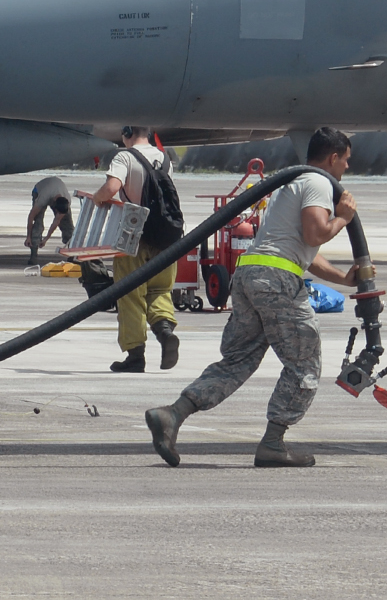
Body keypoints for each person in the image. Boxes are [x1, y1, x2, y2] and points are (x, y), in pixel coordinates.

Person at [145, 127, 360, 469]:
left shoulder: (291, 185)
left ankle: (172, 414)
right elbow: (315, 232)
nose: (347, 167)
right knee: (304, 363)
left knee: (238, 359)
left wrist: (343, 278)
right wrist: (343, 218)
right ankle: (273, 443)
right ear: (333, 157)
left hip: (249, 277)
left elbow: (300, 249)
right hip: (276, 281)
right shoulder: (319, 182)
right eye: (346, 160)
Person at [88, 126, 179, 372]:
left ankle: (135, 356)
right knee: (160, 289)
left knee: (130, 294)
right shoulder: (164, 157)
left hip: (134, 235)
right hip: (166, 236)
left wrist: (98, 198)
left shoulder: (124, 156)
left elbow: (111, 188)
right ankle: (165, 332)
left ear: (126, 133)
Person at [26, 175, 74, 266]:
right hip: (39, 190)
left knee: (68, 226)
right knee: (38, 224)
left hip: (56, 188)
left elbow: (56, 221)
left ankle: (71, 253)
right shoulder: (43, 198)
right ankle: (33, 254)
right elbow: (31, 217)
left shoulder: (66, 201)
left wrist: (46, 239)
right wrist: (28, 236)